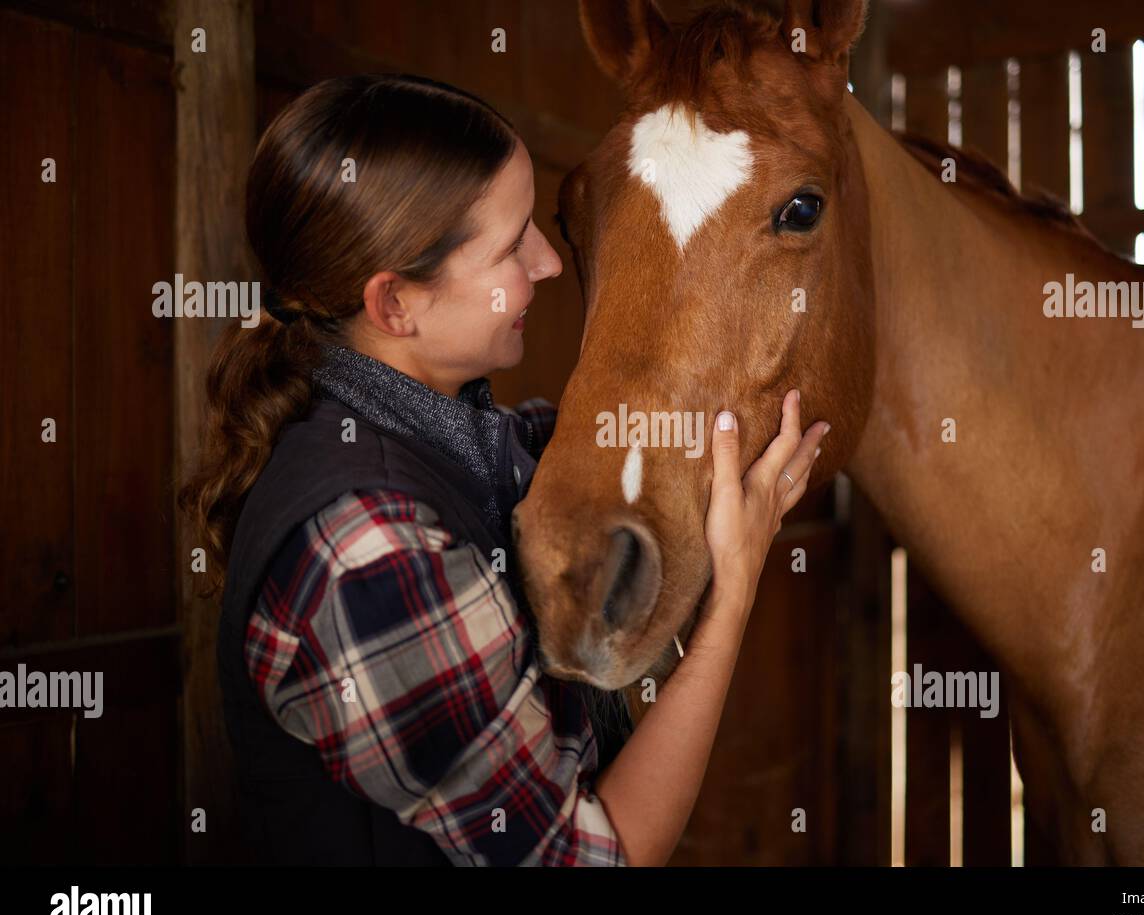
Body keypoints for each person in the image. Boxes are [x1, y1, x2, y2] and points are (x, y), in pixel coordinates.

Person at [179, 74, 829, 867]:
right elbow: (589, 860)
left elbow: (590, 441)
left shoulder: (463, 440)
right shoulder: (369, 552)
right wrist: (734, 590)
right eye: (514, 241)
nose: (550, 264)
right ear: (395, 306)